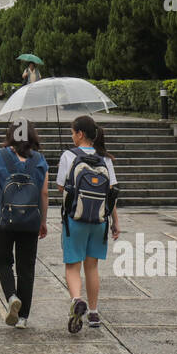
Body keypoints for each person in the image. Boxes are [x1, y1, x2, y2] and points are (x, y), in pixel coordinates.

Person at [0, 118, 48, 328]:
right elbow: (44, 193)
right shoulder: (39, 160)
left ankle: (11, 297)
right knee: (27, 267)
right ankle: (23, 317)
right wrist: (43, 221)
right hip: (30, 220)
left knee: (4, 261)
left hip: (3, 218)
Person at [56, 116, 120, 333]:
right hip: (100, 221)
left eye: (73, 132)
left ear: (80, 134)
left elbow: (60, 188)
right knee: (92, 267)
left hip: (75, 218)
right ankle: (93, 312)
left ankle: (76, 300)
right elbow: (112, 195)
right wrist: (115, 223)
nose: (71, 137)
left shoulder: (68, 155)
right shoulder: (105, 159)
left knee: (73, 265)